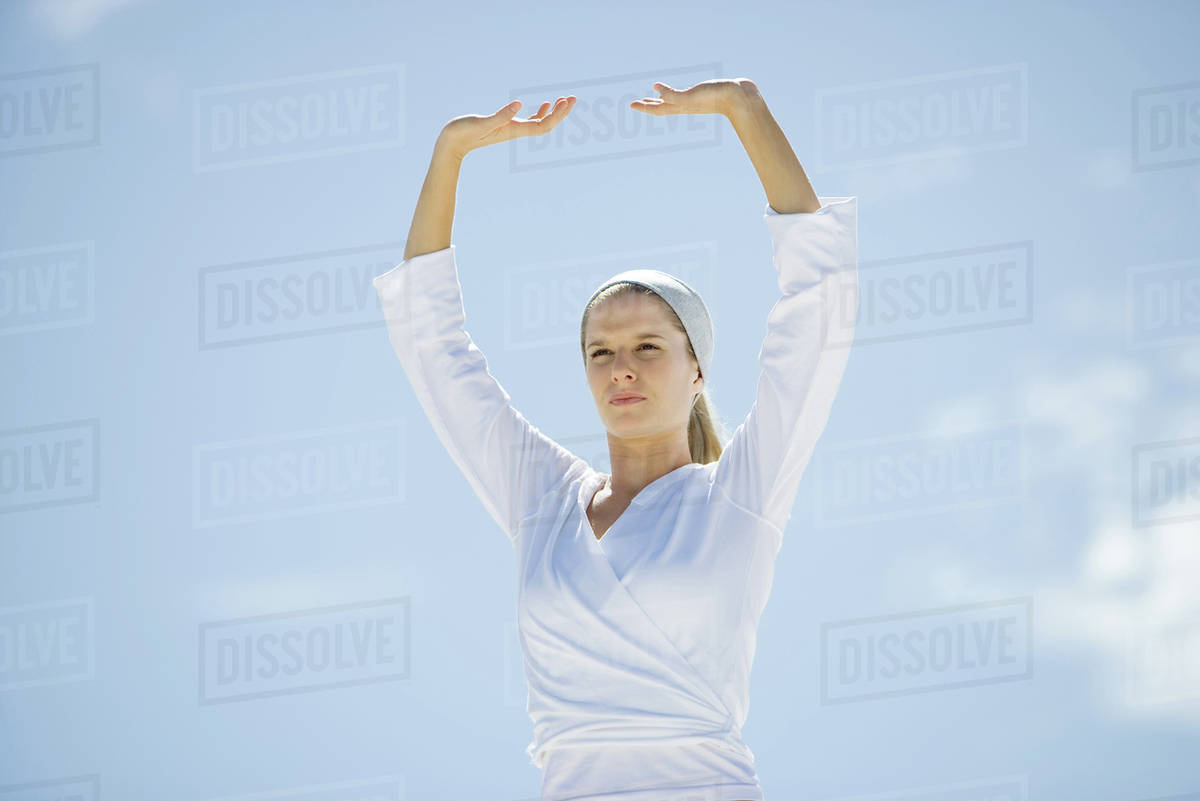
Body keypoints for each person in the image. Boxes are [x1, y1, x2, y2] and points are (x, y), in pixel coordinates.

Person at [373, 78, 858, 801]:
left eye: (648, 347)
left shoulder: (737, 495)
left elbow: (817, 310)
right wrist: (452, 152)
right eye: (600, 352)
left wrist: (745, 110)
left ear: (697, 370)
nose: (621, 367)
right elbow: (434, 350)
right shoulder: (543, 500)